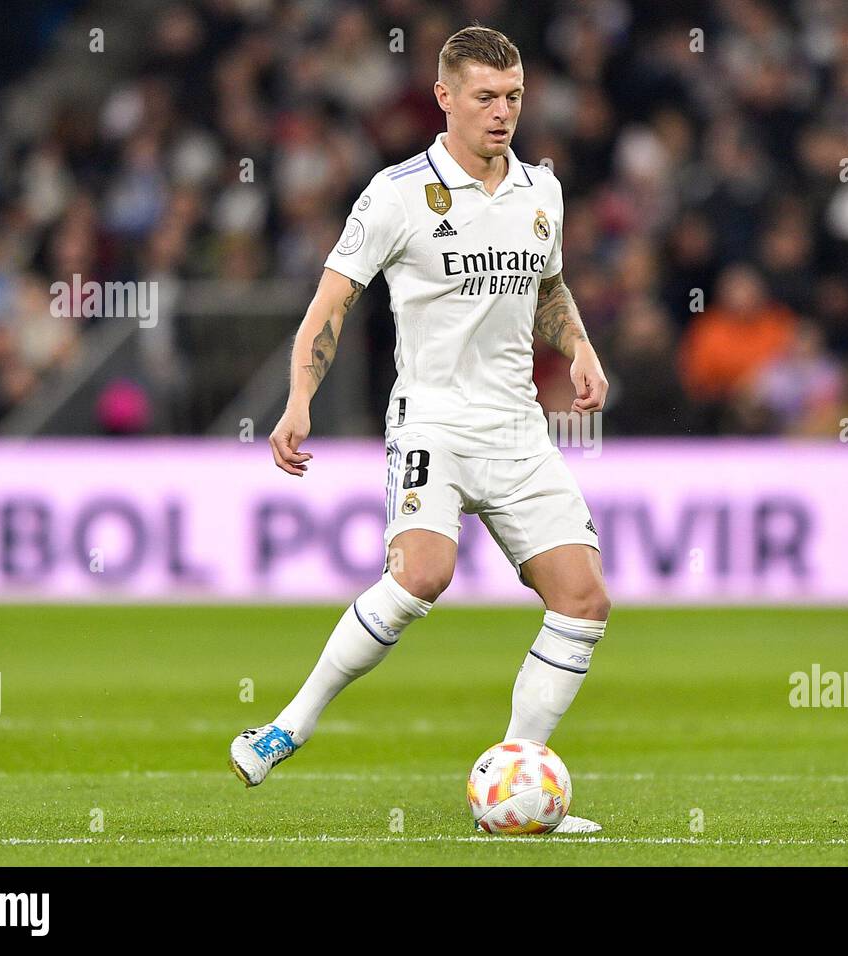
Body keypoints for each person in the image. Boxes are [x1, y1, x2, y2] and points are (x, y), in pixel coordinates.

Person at [229, 26, 610, 833]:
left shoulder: (543, 189)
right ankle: (285, 727)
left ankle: (512, 785)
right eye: (484, 97)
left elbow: (548, 286)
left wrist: (578, 347)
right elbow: (329, 306)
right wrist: (299, 401)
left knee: (582, 600)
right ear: (445, 98)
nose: (502, 113)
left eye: (512, 97)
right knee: (422, 576)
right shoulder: (397, 193)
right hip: (432, 419)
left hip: (516, 427)